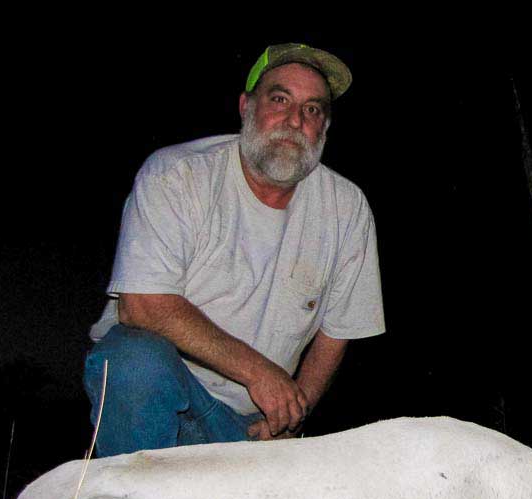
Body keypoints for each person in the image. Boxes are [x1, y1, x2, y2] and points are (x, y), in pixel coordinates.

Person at [84, 43, 384, 457]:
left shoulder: (347, 209)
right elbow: (141, 305)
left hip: (248, 428)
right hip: (161, 405)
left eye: (313, 109)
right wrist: (260, 372)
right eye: (279, 99)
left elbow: (336, 334)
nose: (295, 120)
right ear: (246, 107)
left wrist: (294, 413)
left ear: (324, 128)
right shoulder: (178, 175)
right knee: (132, 360)